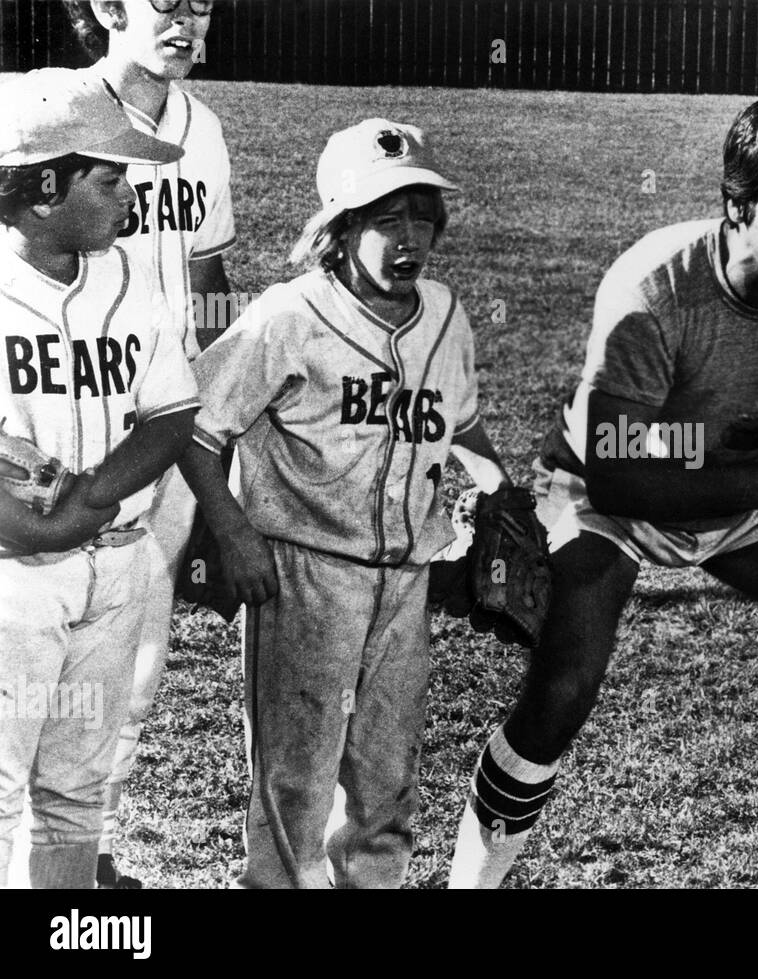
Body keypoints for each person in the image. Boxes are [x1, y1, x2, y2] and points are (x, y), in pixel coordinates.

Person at [448, 76, 758, 890]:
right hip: (608, 484)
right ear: (736, 205)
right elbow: (618, 467)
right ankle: (469, 885)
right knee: (565, 683)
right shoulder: (655, 283)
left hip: (745, 485)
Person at [180, 119, 515, 888]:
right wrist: (231, 533)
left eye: (421, 216)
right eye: (385, 218)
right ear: (339, 229)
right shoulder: (288, 316)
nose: (410, 238)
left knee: (385, 781)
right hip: (304, 575)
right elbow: (194, 430)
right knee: (294, 781)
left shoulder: (444, 313)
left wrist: (503, 491)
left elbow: (461, 422)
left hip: (406, 583)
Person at [0, 68, 197, 889]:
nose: (128, 197)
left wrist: (91, 497)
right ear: (46, 188)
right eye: (109, 177)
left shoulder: (128, 277)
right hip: (11, 578)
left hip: (112, 559)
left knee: (78, 789)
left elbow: (172, 411)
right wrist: (30, 525)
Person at [60, 0, 236, 889]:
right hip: (68, 424)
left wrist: (218, 403)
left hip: (167, 428)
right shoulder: (57, 114)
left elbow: (208, 279)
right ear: (104, 6)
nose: (188, 20)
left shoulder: (202, 131)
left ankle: (84, 852)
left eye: (200, 2)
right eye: (165, 1)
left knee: (136, 660)